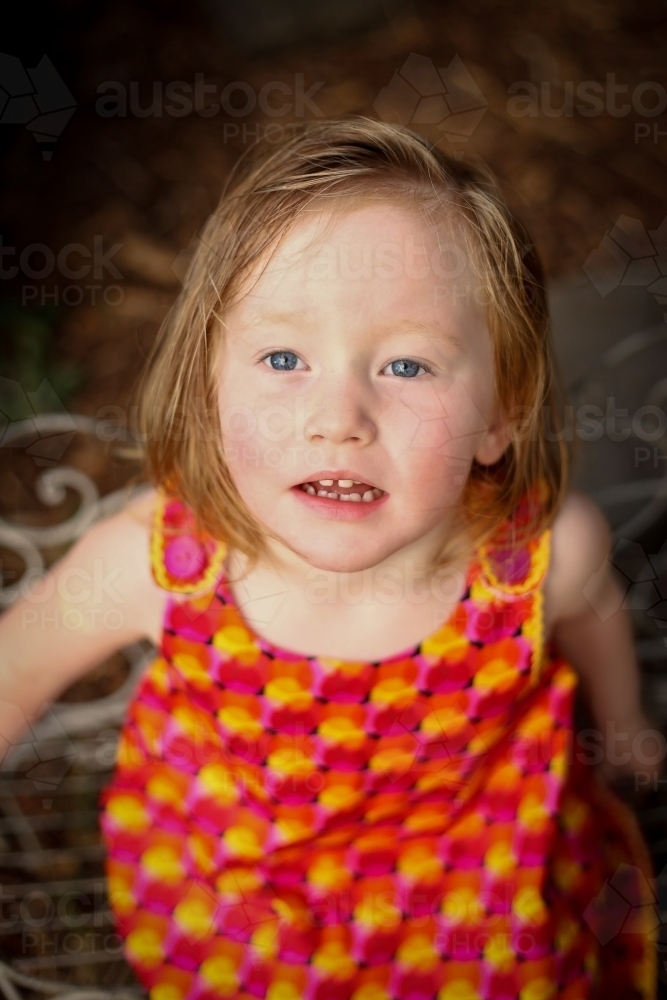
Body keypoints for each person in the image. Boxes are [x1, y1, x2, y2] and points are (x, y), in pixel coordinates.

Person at [0, 118, 663, 1000]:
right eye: (282, 357)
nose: (337, 416)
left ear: (500, 414)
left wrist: (620, 727)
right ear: (208, 386)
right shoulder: (153, 566)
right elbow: (15, 675)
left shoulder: (540, 557)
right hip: (248, 903)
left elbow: (593, 616)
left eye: (406, 366)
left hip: (481, 889)